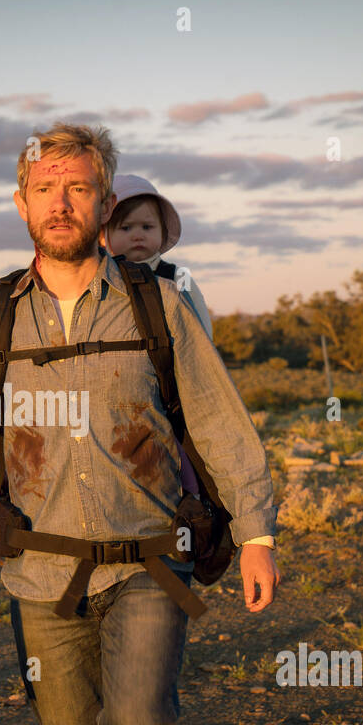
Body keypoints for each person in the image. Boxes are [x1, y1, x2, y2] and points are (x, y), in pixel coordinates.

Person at [0, 122, 281, 725]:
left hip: (148, 562)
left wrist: (257, 533)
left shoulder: (159, 307)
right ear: (21, 203)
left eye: (77, 187)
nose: (60, 202)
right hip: (39, 572)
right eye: (44, 188)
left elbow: (218, 422)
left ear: (105, 203)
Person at [101, 174, 213, 496]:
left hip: (173, 392)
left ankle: (193, 512)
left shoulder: (177, 278)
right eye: (125, 228)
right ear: (104, 234)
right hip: (119, 394)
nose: (138, 236)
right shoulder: (103, 284)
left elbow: (202, 333)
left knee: (182, 463)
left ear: (162, 232)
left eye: (147, 228)